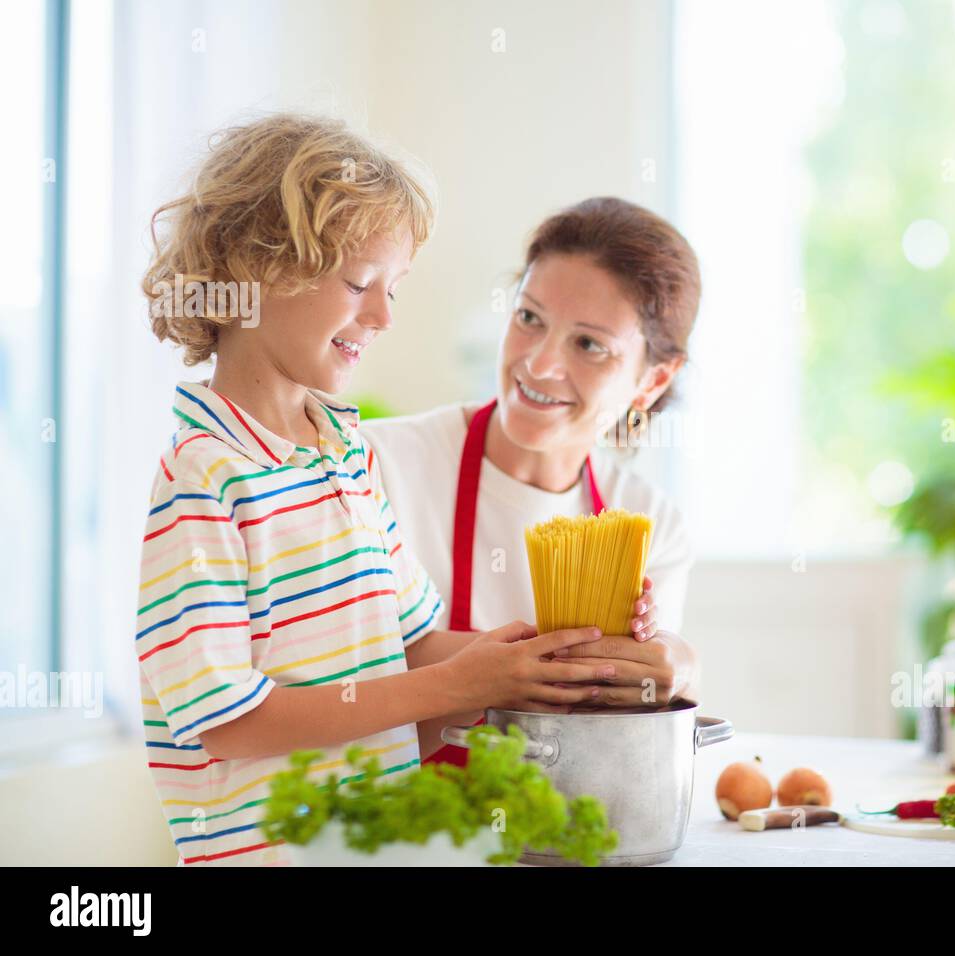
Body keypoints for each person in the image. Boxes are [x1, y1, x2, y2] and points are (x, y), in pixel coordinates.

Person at [135, 115, 613, 865]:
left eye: (394, 288)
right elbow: (228, 721)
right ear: (254, 271)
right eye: (359, 283)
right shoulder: (205, 477)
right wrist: (452, 686)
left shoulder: (345, 457)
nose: (384, 316)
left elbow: (414, 641)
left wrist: (544, 659)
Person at [364, 197, 701, 763]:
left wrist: (680, 667)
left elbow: (620, 737)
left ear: (654, 379)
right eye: (529, 319)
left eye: (589, 344)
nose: (540, 365)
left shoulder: (649, 525)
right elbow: (349, 684)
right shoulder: (380, 465)